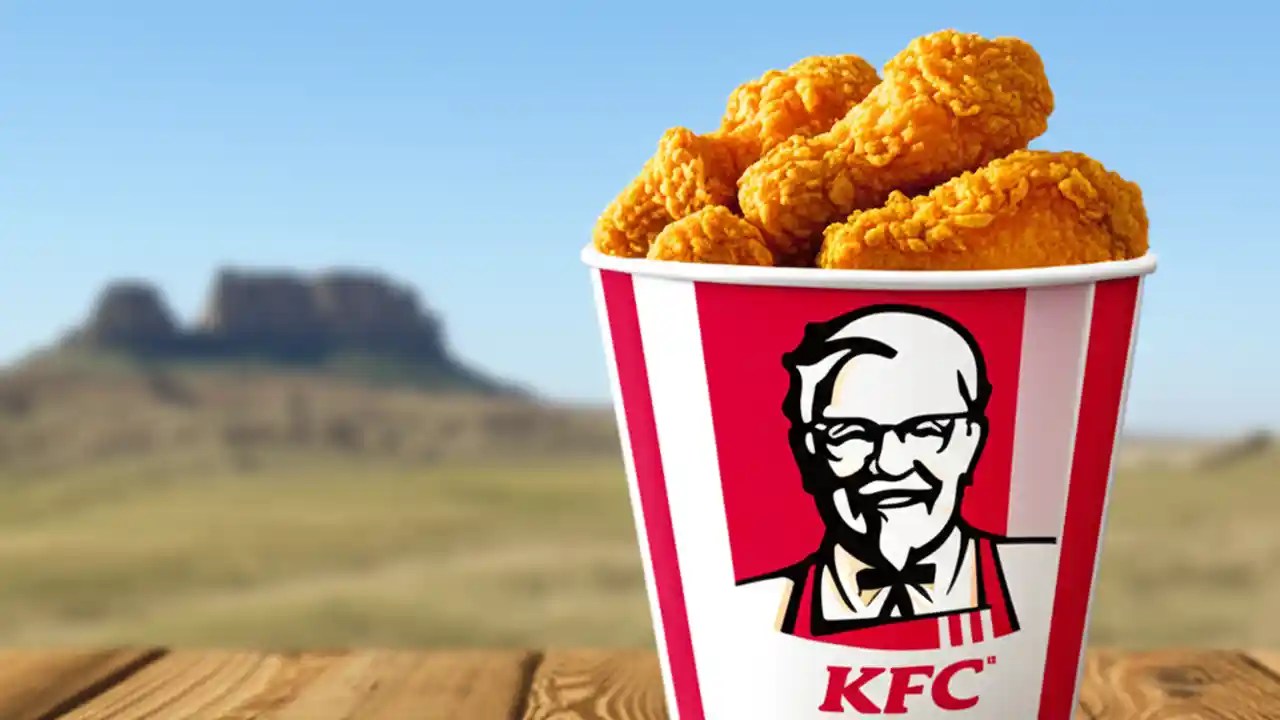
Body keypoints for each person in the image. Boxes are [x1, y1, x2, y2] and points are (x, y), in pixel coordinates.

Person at [740, 305, 1054, 648]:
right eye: (851, 432)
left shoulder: (1040, 581)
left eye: (926, 429)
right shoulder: (755, 610)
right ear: (810, 453)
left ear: (971, 442)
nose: (891, 465)